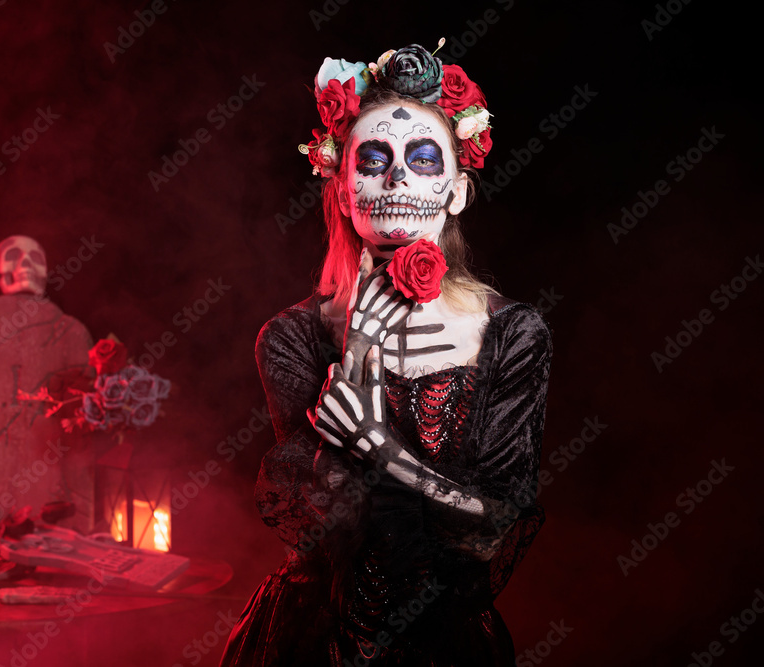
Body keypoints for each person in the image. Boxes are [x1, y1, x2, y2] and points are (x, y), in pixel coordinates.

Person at [220, 43, 552, 666]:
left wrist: (378, 445)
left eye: (423, 160)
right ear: (343, 190)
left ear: (455, 191)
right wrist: (360, 355)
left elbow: (493, 524)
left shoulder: (513, 333)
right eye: (374, 160)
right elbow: (326, 525)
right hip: (313, 641)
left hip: (445, 645)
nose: (398, 178)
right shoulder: (290, 337)